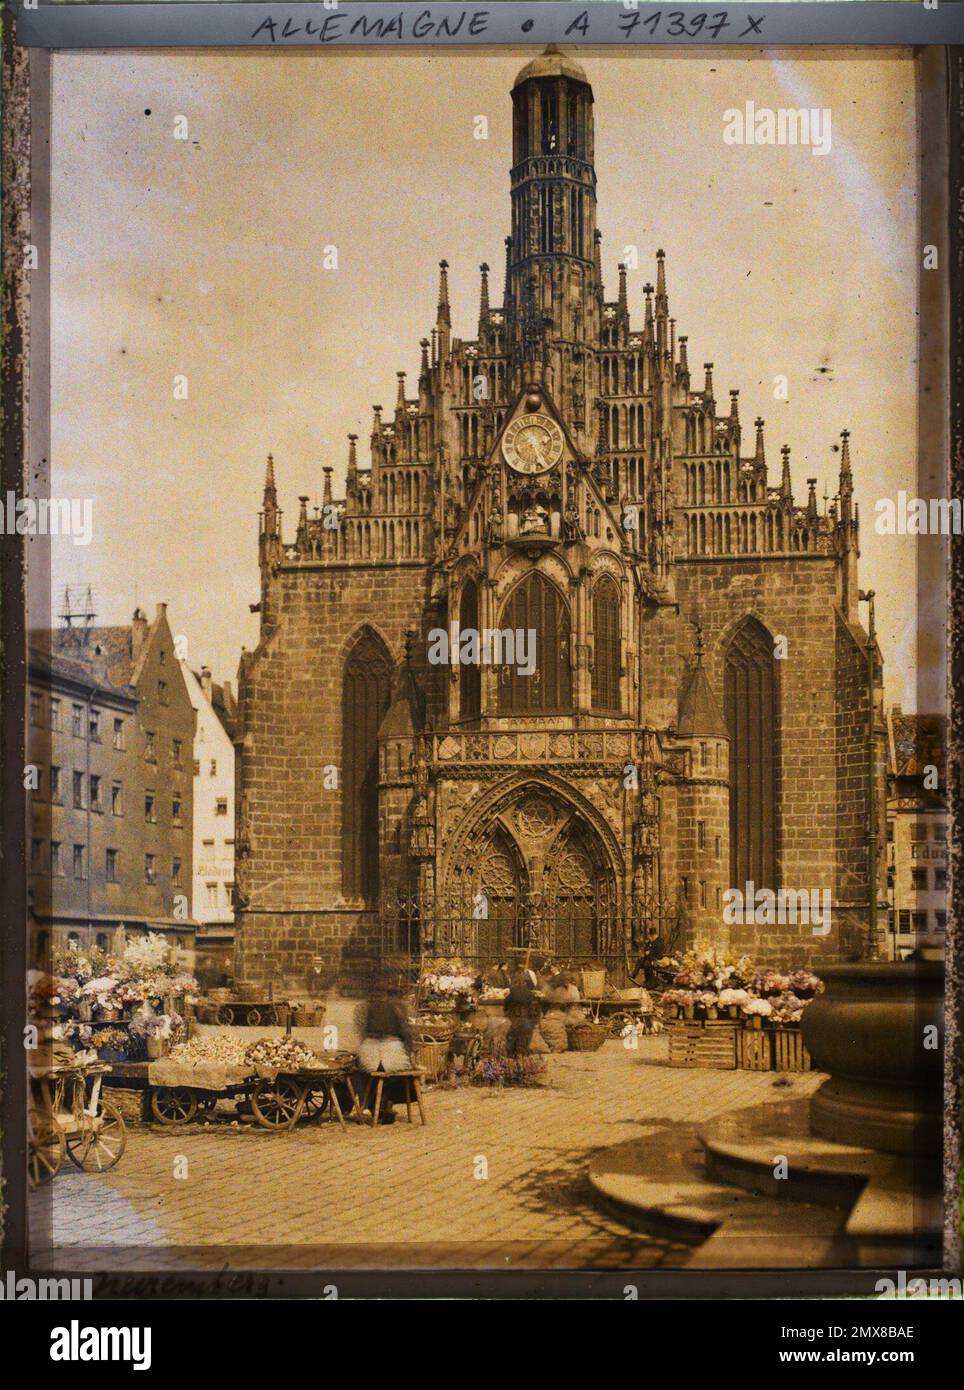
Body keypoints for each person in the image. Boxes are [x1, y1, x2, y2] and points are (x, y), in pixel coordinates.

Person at [355, 972, 414, 1124]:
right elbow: (405, 1032)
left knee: (367, 1072)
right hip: (391, 1051)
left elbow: (362, 1033)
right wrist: (409, 1049)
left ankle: (372, 1105)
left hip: (370, 1051)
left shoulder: (365, 1006)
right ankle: (385, 1105)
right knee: (399, 1075)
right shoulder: (397, 1007)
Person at [504, 970, 541, 1057]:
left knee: (511, 1034)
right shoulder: (530, 994)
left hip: (515, 1020)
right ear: (526, 983)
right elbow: (536, 1008)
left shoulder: (512, 992)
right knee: (525, 1035)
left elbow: (506, 1005)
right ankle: (522, 1050)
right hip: (527, 1021)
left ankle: (512, 1052)